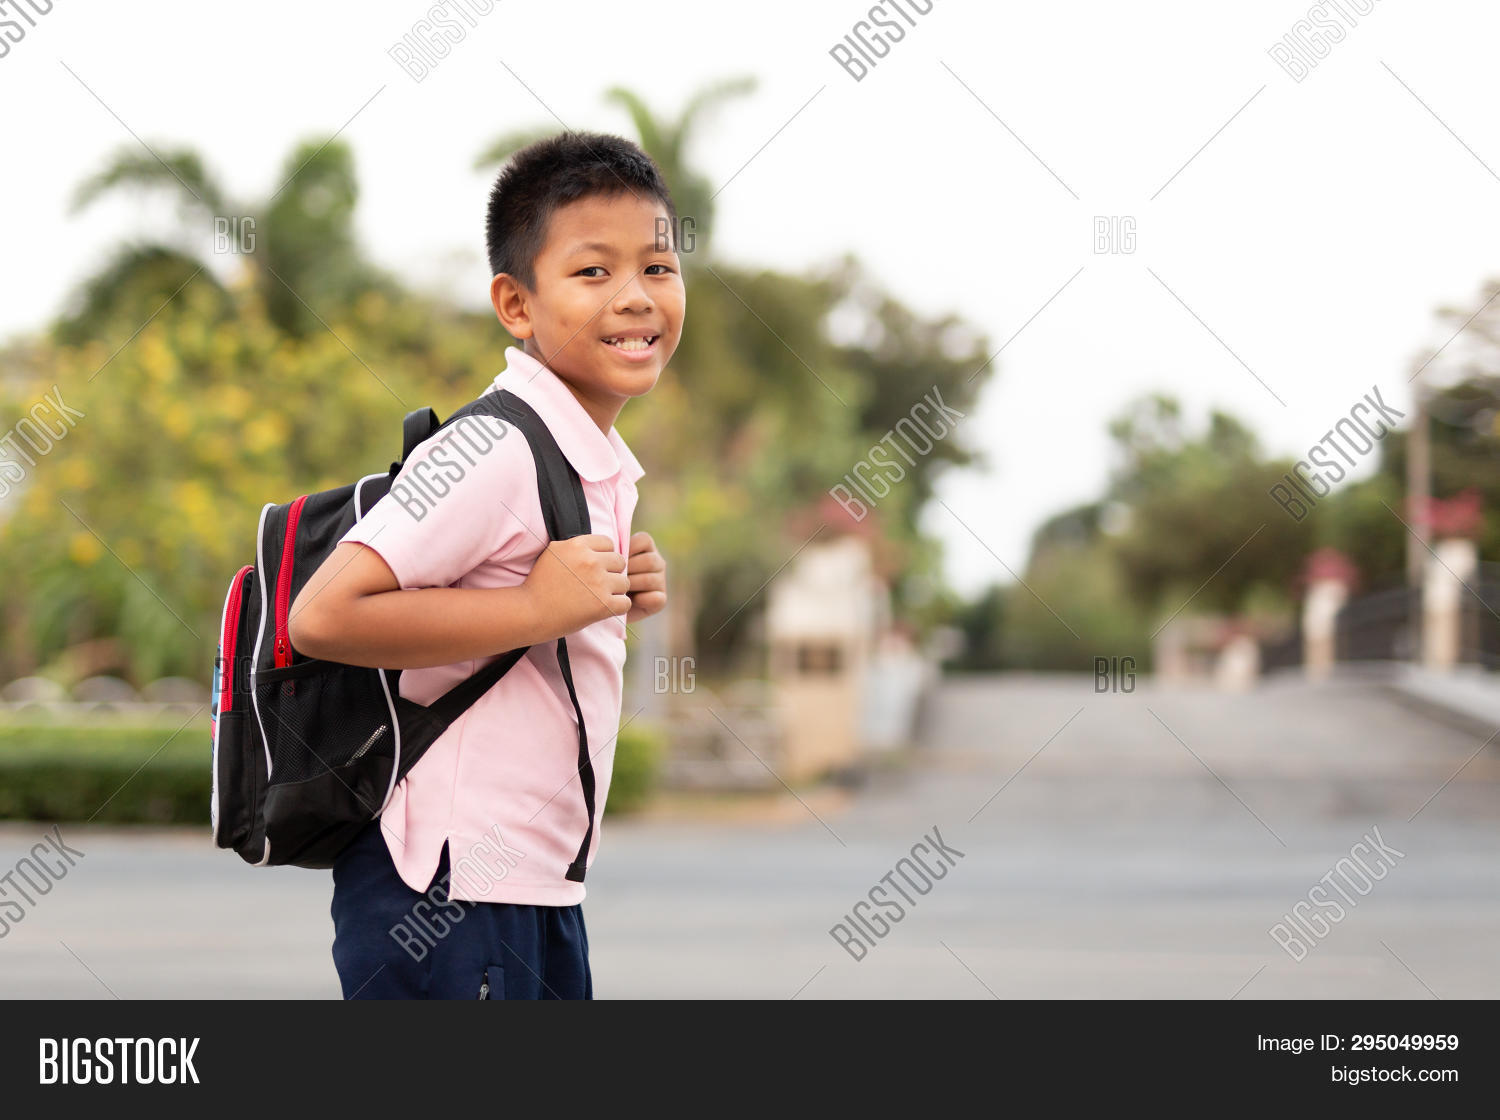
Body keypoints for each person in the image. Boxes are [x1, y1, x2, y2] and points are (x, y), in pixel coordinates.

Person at [288, 132, 684, 998]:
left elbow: (525, 607)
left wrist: (605, 597)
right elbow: (322, 615)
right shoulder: (493, 448)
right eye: (593, 271)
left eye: (657, 267)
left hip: (532, 885)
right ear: (516, 303)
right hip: (448, 891)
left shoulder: (586, 459)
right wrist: (538, 610)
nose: (636, 296)